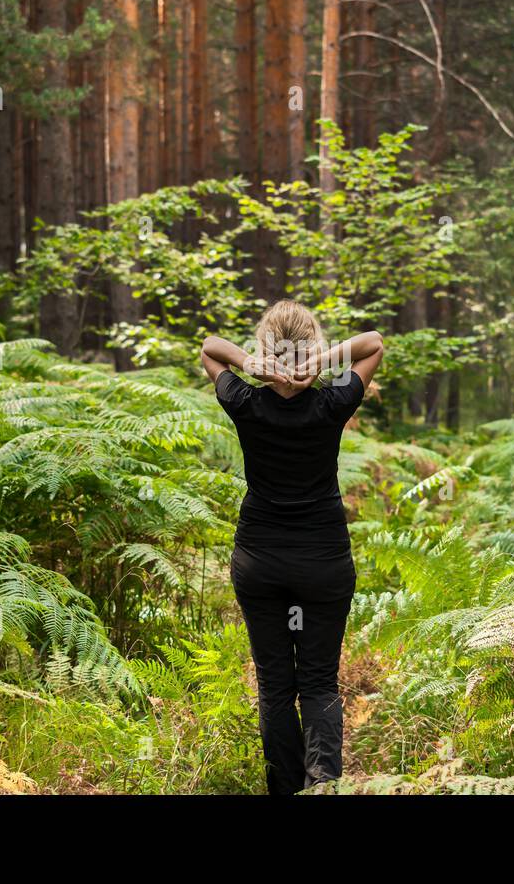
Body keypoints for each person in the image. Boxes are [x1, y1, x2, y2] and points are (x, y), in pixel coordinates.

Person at [200, 301, 385, 794]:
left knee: (276, 686)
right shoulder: (333, 402)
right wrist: (322, 363)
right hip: (322, 564)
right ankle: (323, 788)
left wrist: (249, 364)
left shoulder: (245, 402)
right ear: (313, 347)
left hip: (261, 563)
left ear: (264, 350)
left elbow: (210, 349)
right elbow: (373, 344)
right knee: (319, 683)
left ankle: (286, 789)